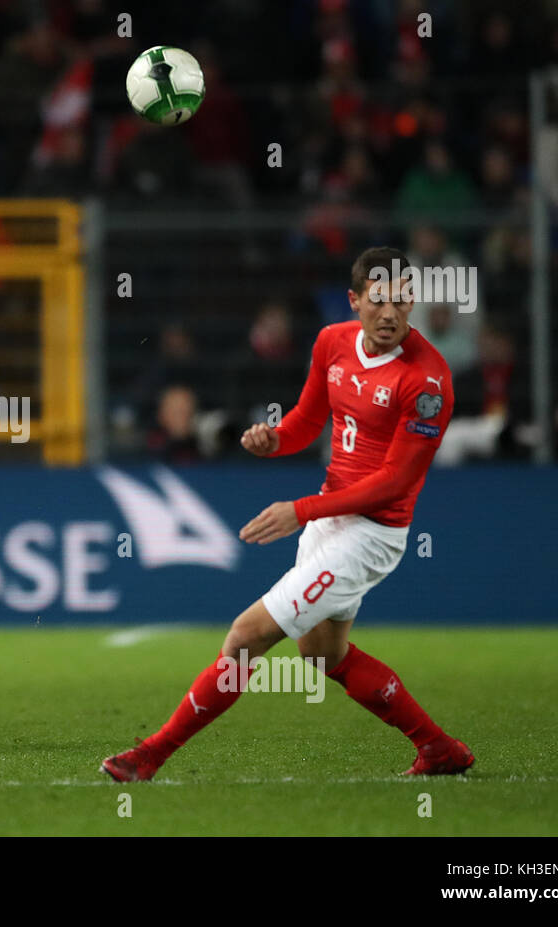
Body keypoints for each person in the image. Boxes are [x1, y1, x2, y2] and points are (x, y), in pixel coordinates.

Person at [102, 247, 474, 781]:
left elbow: (395, 483)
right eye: (378, 300)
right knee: (323, 654)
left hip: (372, 534)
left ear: (412, 300)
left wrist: (300, 510)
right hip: (330, 520)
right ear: (355, 301)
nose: (390, 313)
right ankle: (439, 749)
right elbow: (306, 421)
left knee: (245, 636)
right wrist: (273, 440)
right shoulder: (331, 343)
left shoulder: (428, 381)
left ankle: (149, 756)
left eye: (400, 300)